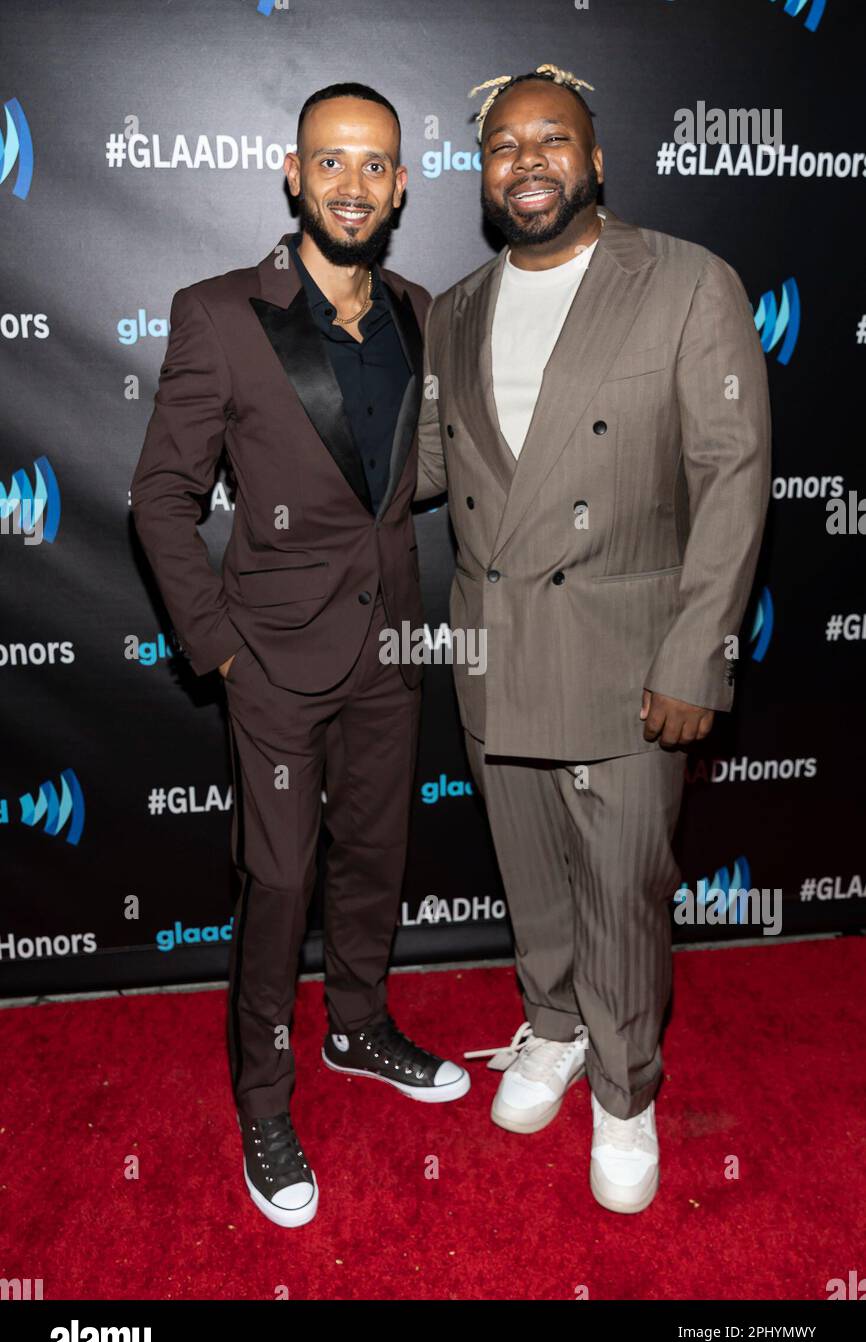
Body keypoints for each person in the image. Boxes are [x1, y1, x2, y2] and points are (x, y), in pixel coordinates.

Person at [416, 64, 770, 1214]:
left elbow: (730, 478)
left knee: (620, 889)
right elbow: (426, 467)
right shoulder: (454, 310)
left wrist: (694, 652)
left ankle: (624, 1088)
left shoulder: (682, 280)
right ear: (482, 173)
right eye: (502, 145)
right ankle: (554, 1026)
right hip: (496, 642)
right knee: (531, 874)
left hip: (625, 652)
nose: (526, 161)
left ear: (595, 160)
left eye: (550, 138)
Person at [131, 82, 469, 1231]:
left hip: (389, 646)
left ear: (402, 186)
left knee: (375, 853)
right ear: (292, 173)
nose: (351, 185)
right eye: (330, 161)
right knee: (278, 886)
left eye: (373, 165)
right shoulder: (221, 314)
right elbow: (160, 499)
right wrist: (219, 651)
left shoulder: (419, 310)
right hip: (270, 659)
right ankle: (264, 1101)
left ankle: (357, 1026)